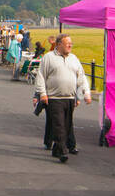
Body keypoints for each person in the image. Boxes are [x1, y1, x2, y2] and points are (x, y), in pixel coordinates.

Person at [33, 34, 91, 162]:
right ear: (59, 44)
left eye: (71, 43)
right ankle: (63, 151)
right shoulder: (49, 58)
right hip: (54, 97)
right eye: (67, 43)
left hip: (69, 98)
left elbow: (81, 77)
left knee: (66, 125)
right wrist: (42, 93)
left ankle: (56, 149)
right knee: (59, 125)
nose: (70, 46)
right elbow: (41, 76)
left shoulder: (74, 59)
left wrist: (85, 93)